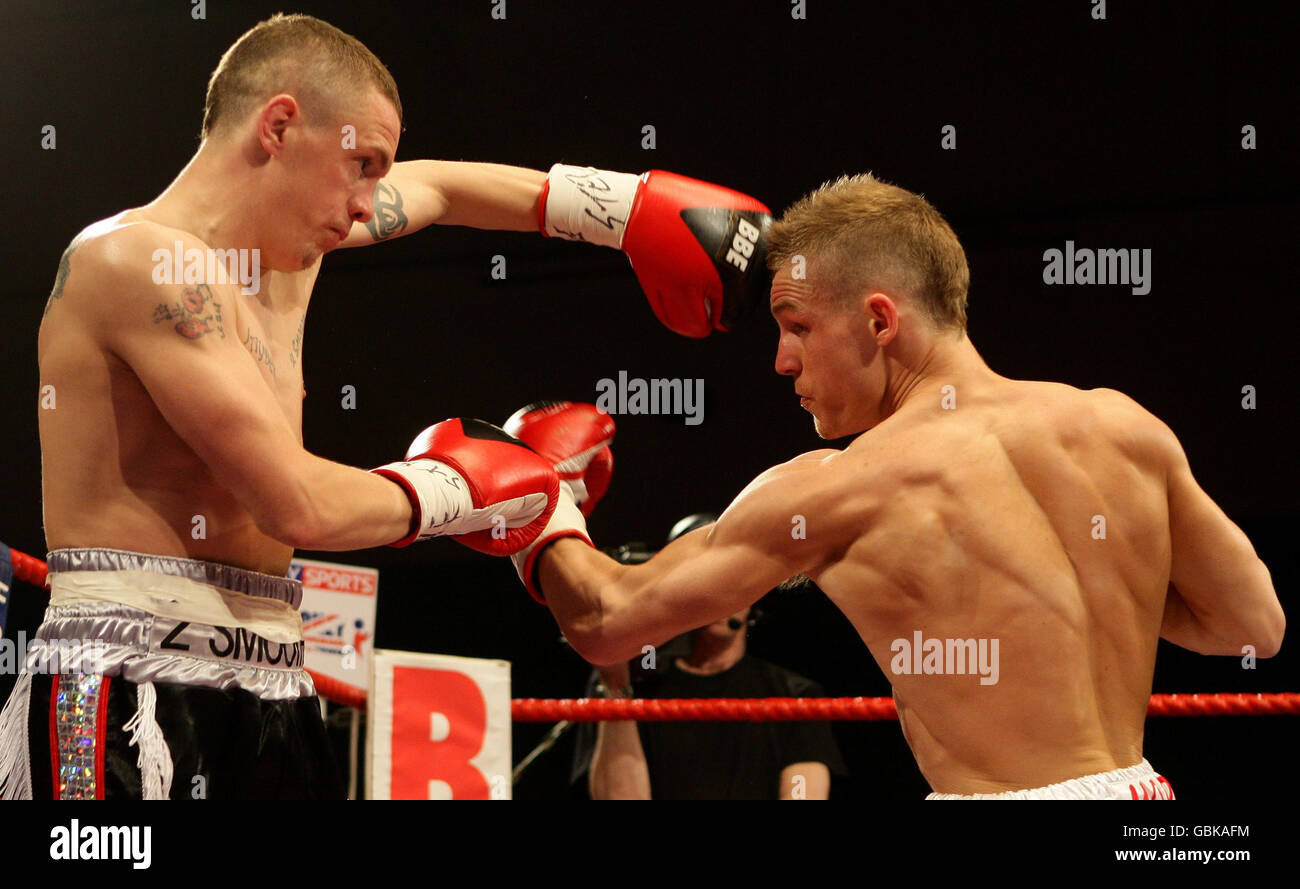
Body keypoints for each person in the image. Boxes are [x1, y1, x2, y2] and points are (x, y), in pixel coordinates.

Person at [1, 13, 770, 800]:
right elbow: (295, 502)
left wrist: (627, 210)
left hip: (272, 673)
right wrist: (467, 487)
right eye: (362, 164)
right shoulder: (138, 261)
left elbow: (442, 188)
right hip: (130, 675)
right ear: (278, 126)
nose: (371, 204)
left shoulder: (292, 244)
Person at [500, 173, 1286, 800]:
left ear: (880, 320)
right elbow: (1252, 626)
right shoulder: (1126, 428)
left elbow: (606, 620)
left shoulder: (841, 489)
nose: (781, 359)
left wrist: (536, 500)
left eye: (796, 324)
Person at [574, 515, 846, 800]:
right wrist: (616, 685)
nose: (715, 594)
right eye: (699, 579)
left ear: (753, 592)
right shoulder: (633, 685)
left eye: (728, 578)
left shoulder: (794, 696)